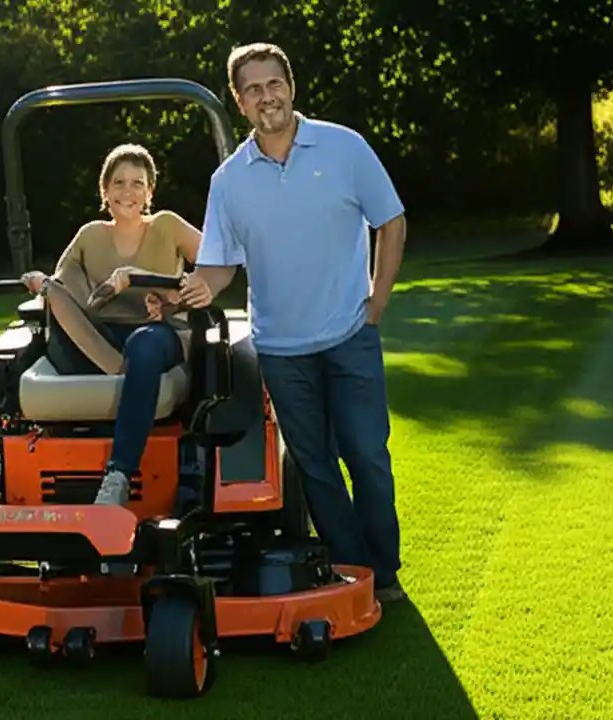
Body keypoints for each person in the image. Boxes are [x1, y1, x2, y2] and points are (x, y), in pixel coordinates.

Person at [179, 43, 409, 603]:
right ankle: (356, 578)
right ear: (239, 101)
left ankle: (387, 569)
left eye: (273, 84)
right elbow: (220, 263)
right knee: (315, 467)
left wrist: (377, 301)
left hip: (350, 335)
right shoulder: (229, 181)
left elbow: (392, 219)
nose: (267, 97)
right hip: (281, 349)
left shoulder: (344, 146)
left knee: (367, 456)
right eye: (253, 89)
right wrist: (188, 289)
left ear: (291, 85)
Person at [21, 143, 201, 506]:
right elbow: (64, 287)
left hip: (157, 333)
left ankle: (118, 473)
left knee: (143, 345)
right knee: (47, 319)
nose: (128, 192)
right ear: (105, 192)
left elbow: (217, 263)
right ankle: (117, 368)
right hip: (98, 337)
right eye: (118, 182)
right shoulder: (90, 236)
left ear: (150, 191)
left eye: (137, 183)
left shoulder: (166, 225)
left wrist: (166, 295)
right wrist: (43, 286)